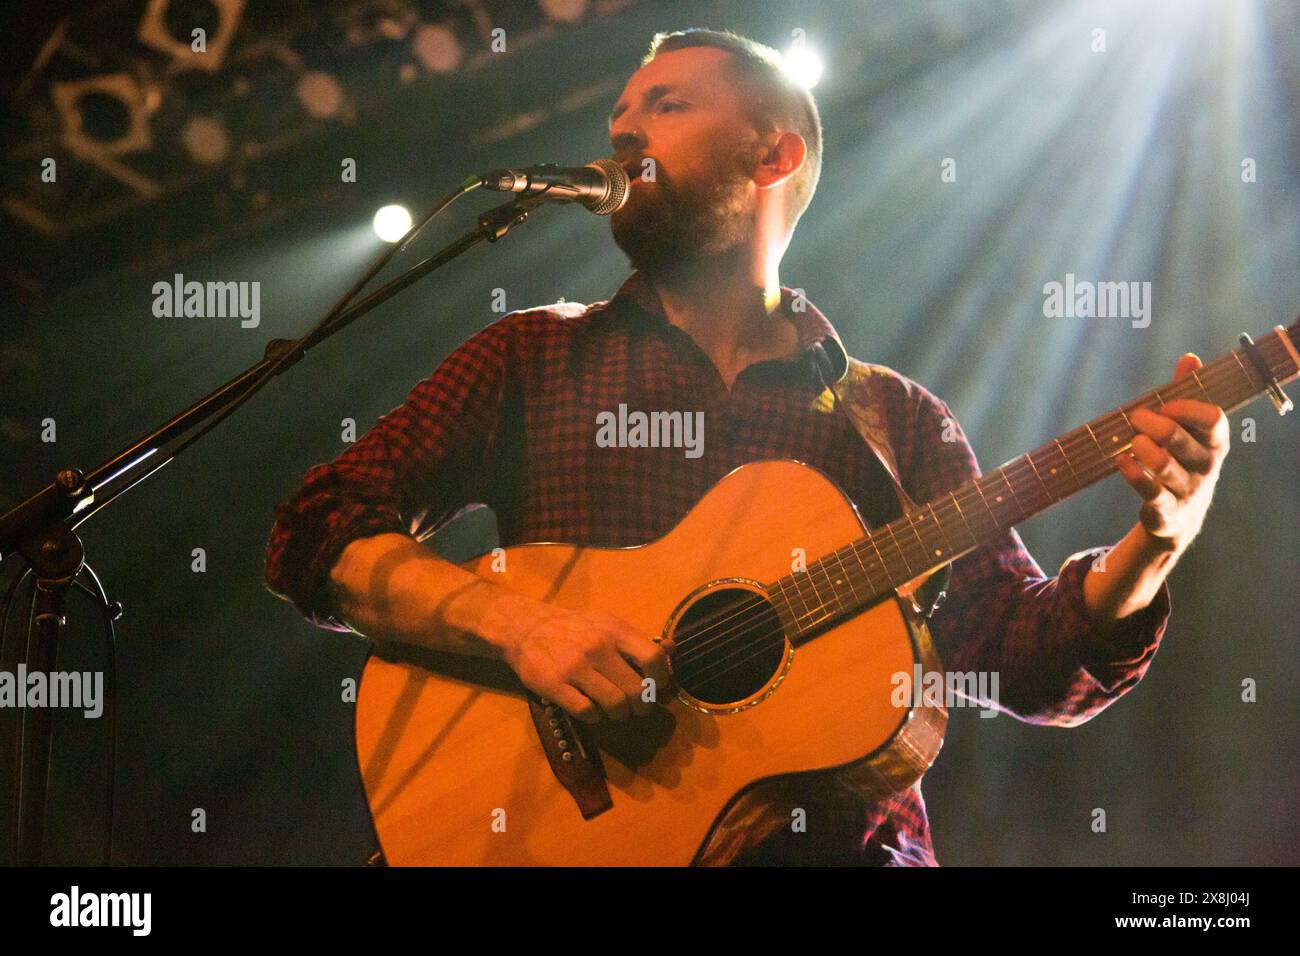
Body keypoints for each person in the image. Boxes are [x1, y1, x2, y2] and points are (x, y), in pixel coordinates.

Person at [264, 29, 1230, 865]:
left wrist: (1155, 543)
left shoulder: (895, 418)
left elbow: (1020, 663)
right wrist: (520, 628)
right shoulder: (532, 356)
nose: (624, 131)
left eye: (668, 104)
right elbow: (317, 529)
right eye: (620, 115)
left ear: (773, 157)